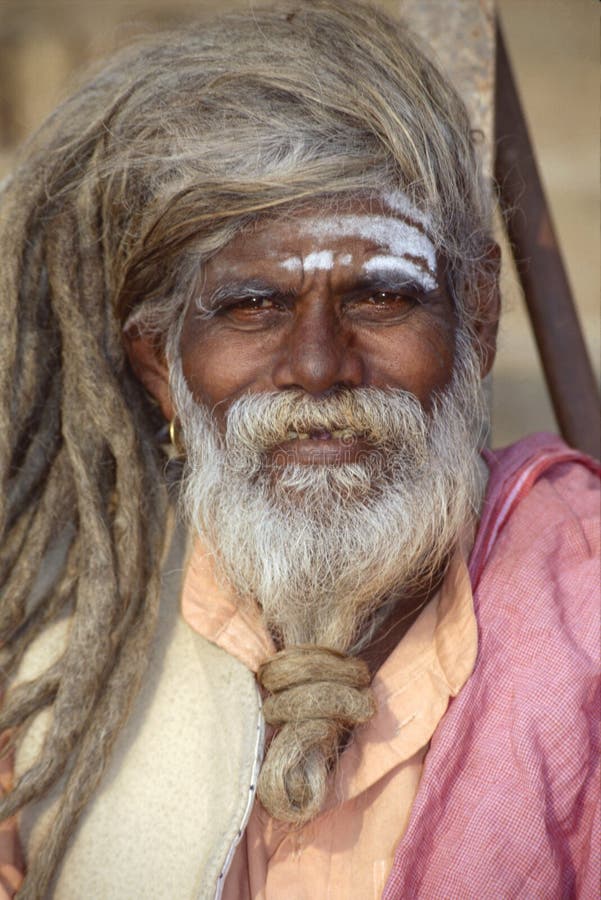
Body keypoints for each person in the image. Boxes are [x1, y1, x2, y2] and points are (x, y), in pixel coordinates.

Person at [0, 1, 598, 897]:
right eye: (251, 308)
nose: (318, 369)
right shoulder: (51, 658)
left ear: (475, 321)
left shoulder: (582, 612)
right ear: (159, 365)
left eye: (381, 299)